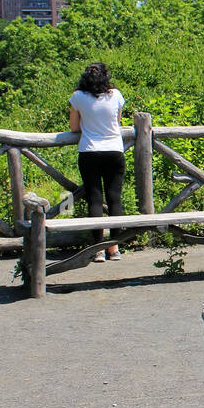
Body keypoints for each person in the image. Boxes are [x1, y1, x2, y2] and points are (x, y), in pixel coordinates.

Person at [69, 63, 126, 262]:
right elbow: (117, 121)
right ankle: (114, 248)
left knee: (94, 199)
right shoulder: (116, 95)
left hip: (89, 151)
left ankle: (98, 249)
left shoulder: (77, 97)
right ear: (106, 77)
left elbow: (74, 127)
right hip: (114, 150)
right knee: (114, 199)